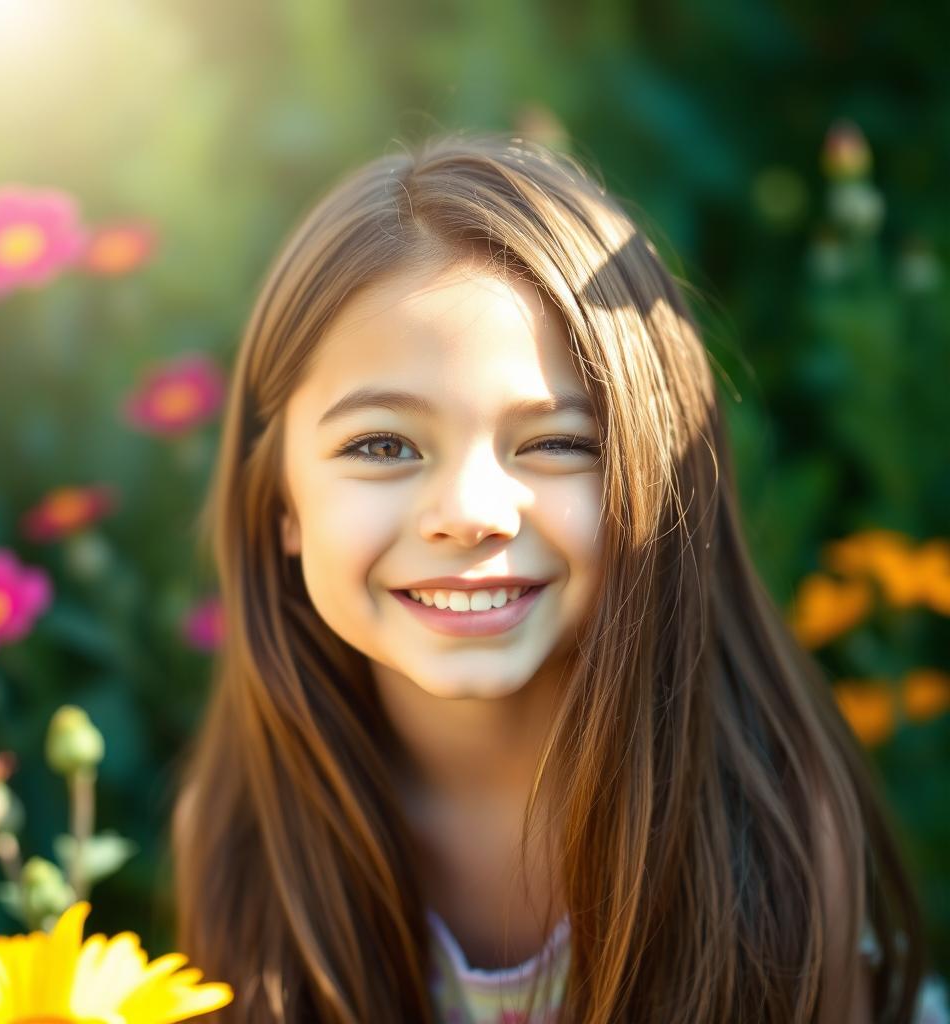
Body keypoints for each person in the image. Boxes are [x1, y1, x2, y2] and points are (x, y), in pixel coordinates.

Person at [171, 131, 945, 1023]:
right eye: (381, 445)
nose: (470, 513)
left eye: (556, 443)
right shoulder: (237, 837)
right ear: (281, 501)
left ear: (658, 477)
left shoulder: (770, 837)